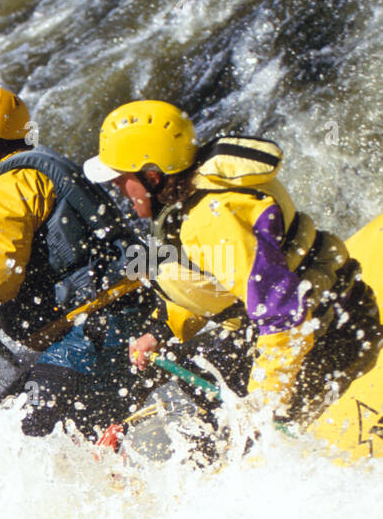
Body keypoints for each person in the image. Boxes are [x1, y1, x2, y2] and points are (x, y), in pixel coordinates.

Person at [83, 99, 381, 425]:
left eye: (121, 178)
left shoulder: (212, 220)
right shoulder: (191, 201)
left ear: (152, 176)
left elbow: (284, 317)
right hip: (303, 322)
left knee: (243, 430)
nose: (115, 187)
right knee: (196, 378)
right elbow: (204, 279)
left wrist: (265, 403)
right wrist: (160, 330)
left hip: (331, 333)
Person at [0, 86, 150, 437]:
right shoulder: (47, 166)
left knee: (14, 443)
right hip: (134, 318)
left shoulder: (4, 188)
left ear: (1, 139)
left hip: (90, 338)